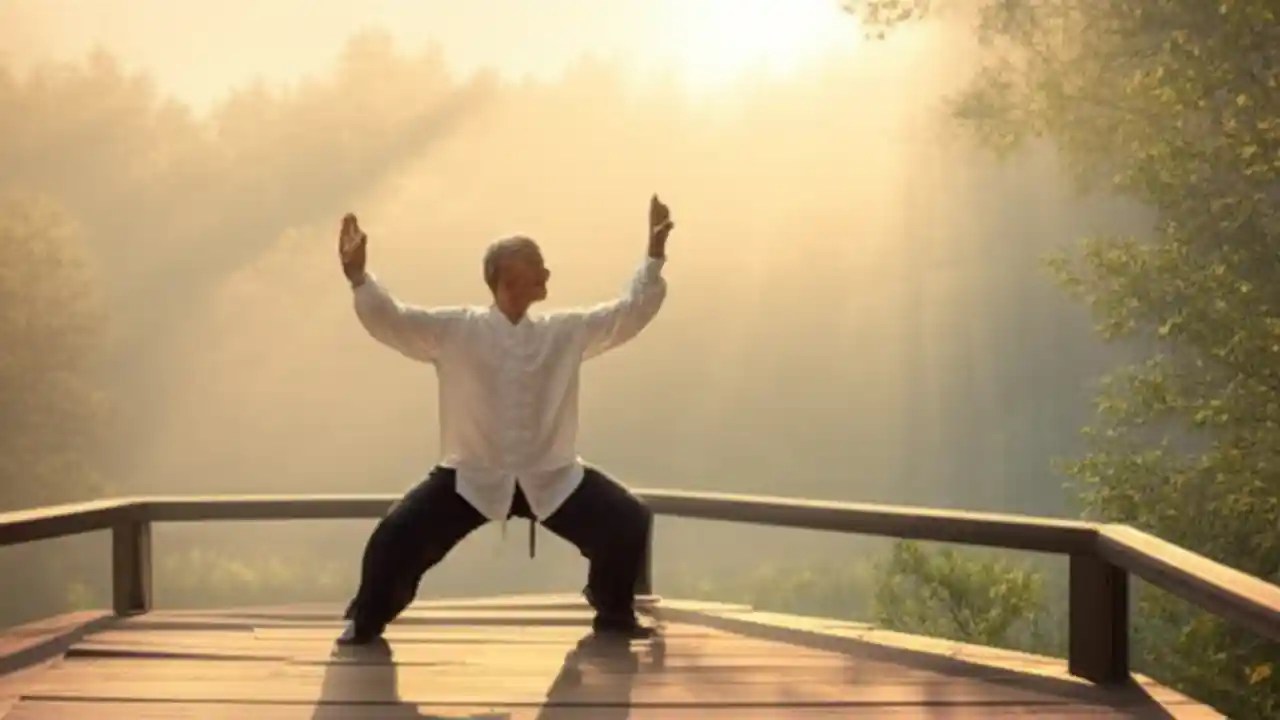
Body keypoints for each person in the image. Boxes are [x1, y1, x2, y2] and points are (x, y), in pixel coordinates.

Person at [335, 195, 675, 644]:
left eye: (533, 274)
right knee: (396, 537)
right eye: (518, 275)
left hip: (551, 473)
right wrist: (359, 277)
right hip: (471, 473)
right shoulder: (456, 331)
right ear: (499, 282)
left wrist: (653, 260)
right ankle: (366, 621)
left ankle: (613, 610)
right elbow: (393, 320)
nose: (530, 282)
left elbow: (625, 316)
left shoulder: (563, 333)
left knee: (627, 518)